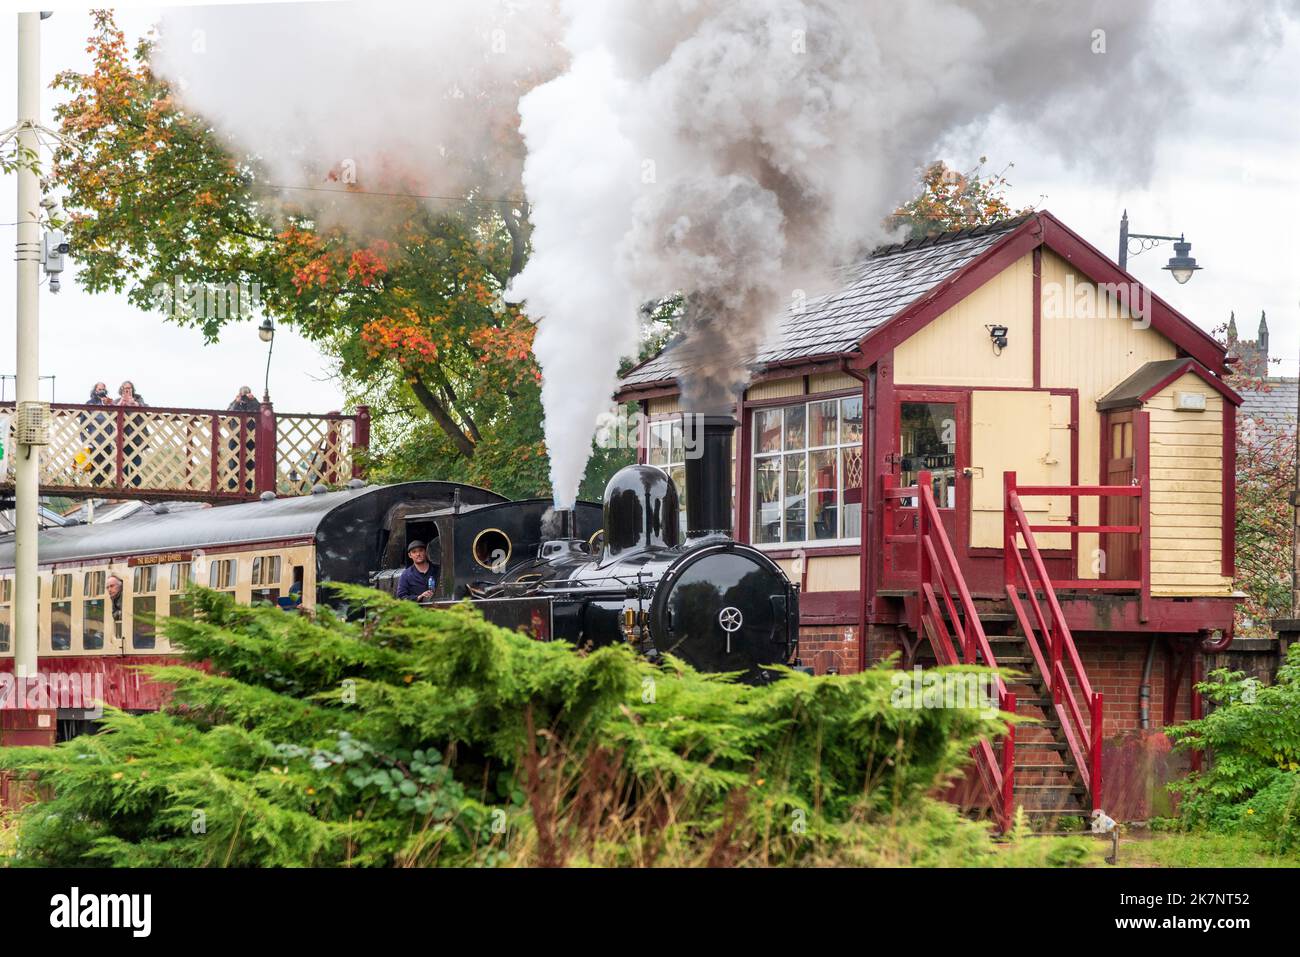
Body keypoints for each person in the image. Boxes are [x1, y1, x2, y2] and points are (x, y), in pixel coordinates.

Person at [225, 386, 260, 491]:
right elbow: (229, 413)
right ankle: (232, 486)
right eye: (243, 394)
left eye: (247, 393)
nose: (245, 396)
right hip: (235, 437)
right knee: (233, 463)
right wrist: (237, 401)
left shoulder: (253, 403)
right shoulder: (235, 403)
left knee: (249, 464)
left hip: (250, 437)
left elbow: (259, 411)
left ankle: (248, 487)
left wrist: (253, 400)